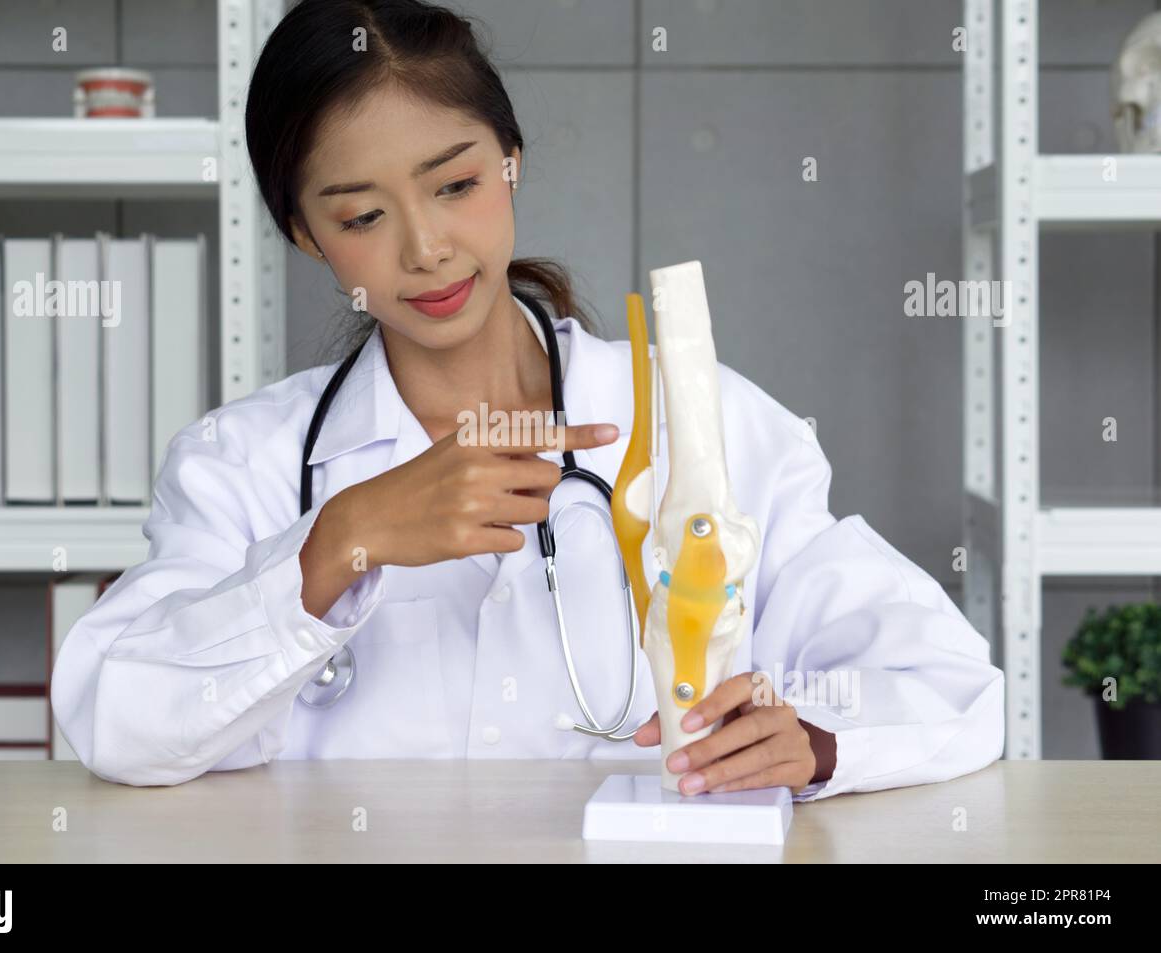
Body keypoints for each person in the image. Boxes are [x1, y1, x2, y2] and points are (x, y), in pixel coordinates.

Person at [51, 0, 1004, 793]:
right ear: (305, 235)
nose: (424, 247)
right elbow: (115, 716)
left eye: (457, 183)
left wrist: (820, 742)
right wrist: (341, 537)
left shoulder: (697, 421)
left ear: (513, 160)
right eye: (362, 216)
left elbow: (953, 683)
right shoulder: (245, 465)